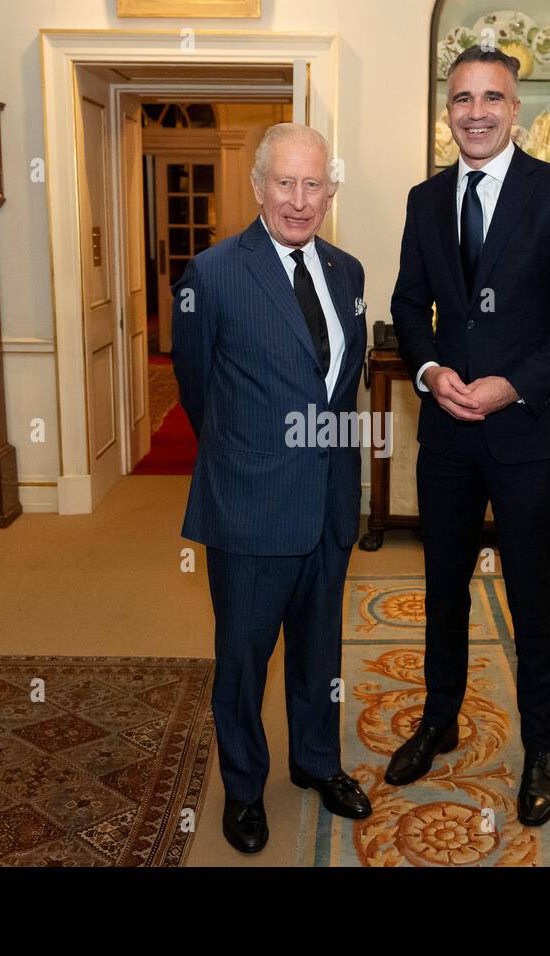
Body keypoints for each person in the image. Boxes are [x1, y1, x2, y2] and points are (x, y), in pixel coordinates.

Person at [387, 46, 550, 826]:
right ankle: (440, 719)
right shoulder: (424, 200)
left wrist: (513, 382)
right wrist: (428, 374)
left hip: (525, 434)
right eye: (461, 99)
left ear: (515, 110)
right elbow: (409, 306)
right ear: (445, 110)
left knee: (531, 597)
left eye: (492, 98)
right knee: (442, 589)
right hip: (448, 434)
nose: (476, 112)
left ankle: (542, 747)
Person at [172, 123, 371, 853]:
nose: (298, 199)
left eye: (313, 184)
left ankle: (317, 762)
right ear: (257, 186)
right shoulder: (215, 273)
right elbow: (196, 391)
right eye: (284, 183)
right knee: (245, 660)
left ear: (330, 190)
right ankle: (246, 789)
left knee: (320, 654)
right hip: (251, 506)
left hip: (328, 503)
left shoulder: (348, 272)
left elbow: (340, 392)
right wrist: (244, 459)